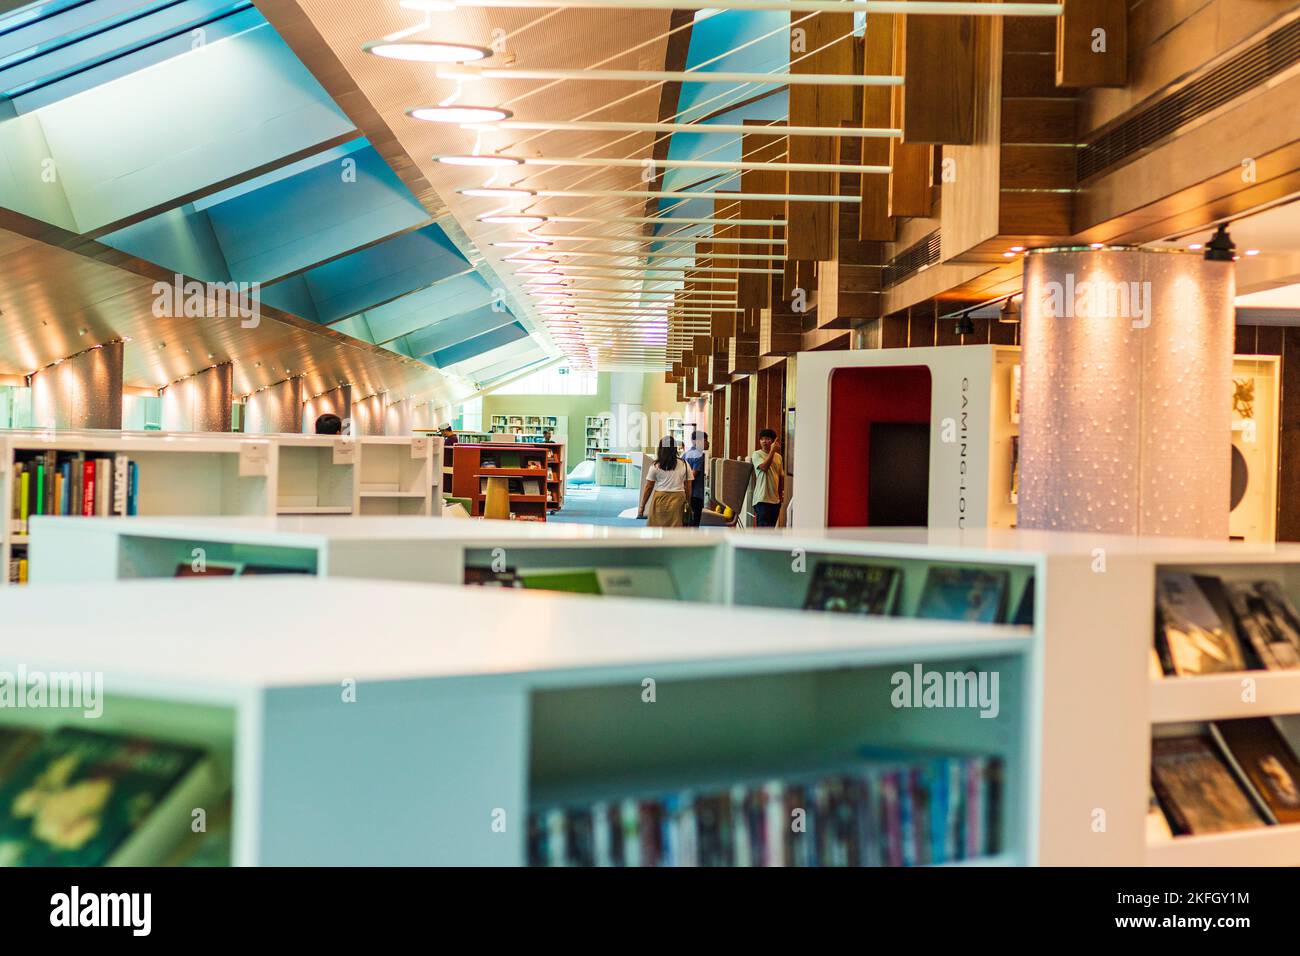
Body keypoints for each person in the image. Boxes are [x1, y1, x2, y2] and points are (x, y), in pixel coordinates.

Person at [637, 436, 692, 528]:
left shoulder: (655, 465)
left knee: (657, 528)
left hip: (660, 499)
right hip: (678, 500)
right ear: (675, 448)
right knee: (675, 529)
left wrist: (642, 506)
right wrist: (688, 502)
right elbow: (688, 487)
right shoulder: (684, 464)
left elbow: (648, 487)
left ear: (661, 449)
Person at [750, 428, 784, 528]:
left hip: (775, 500)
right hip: (762, 499)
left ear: (773, 441)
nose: (764, 441)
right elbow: (764, 467)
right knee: (763, 531)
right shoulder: (756, 454)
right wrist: (772, 451)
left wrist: (781, 495)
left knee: (771, 530)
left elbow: (781, 476)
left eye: (767, 439)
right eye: (762, 439)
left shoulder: (779, 457)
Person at [681, 430, 709, 527]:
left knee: (685, 523)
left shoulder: (685, 454)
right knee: (694, 524)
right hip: (695, 495)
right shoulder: (699, 455)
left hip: (684, 494)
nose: (708, 443)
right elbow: (692, 476)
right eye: (705, 440)